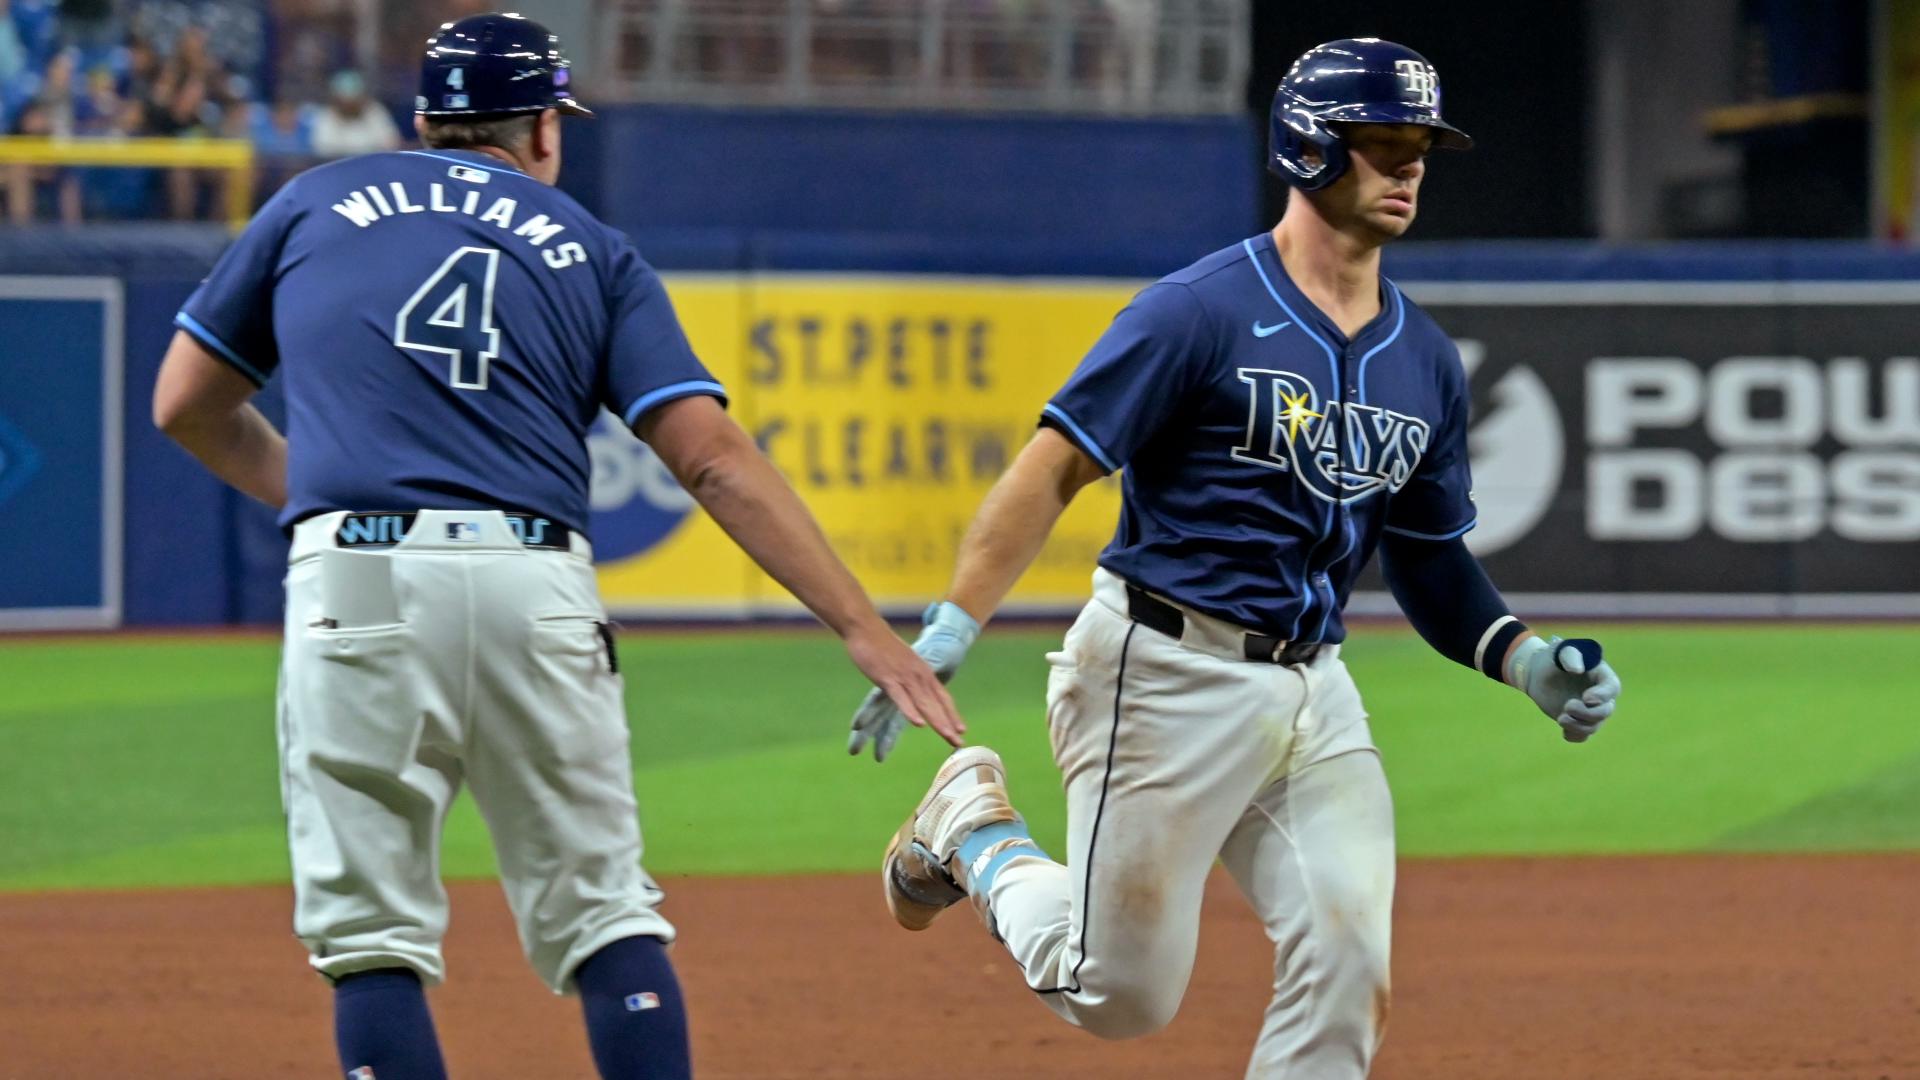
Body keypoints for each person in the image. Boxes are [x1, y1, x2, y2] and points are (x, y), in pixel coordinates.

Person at [152, 13, 962, 1079]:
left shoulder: (313, 200)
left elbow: (184, 404)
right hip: (532, 577)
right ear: (542, 128)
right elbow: (712, 459)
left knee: (370, 940)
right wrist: (864, 628)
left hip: (354, 572)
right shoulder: (590, 245)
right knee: (602, 916)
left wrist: (323, 495)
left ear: (425, 122)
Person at [849, 38, 1623, 1078]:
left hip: (1314, 690)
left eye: (1424, 146)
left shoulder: (1425, 360)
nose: (1411, 165)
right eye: (1384, 140)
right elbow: (1051, 470)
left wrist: (1523, 658)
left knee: (1349, 958)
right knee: (1117, 996)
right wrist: (951, 626)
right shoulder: (1199, 310)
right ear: (1309, 147)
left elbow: (1430, 559)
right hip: (1163, 673)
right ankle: (976, 836)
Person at [310, 68, 400, 157]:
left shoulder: (375, 111)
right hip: (339, 164)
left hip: (374, 163)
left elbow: (390, 142)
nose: (349, 104)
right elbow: (323, 147)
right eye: (344, 99)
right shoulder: (327, 115)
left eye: (354, 99)